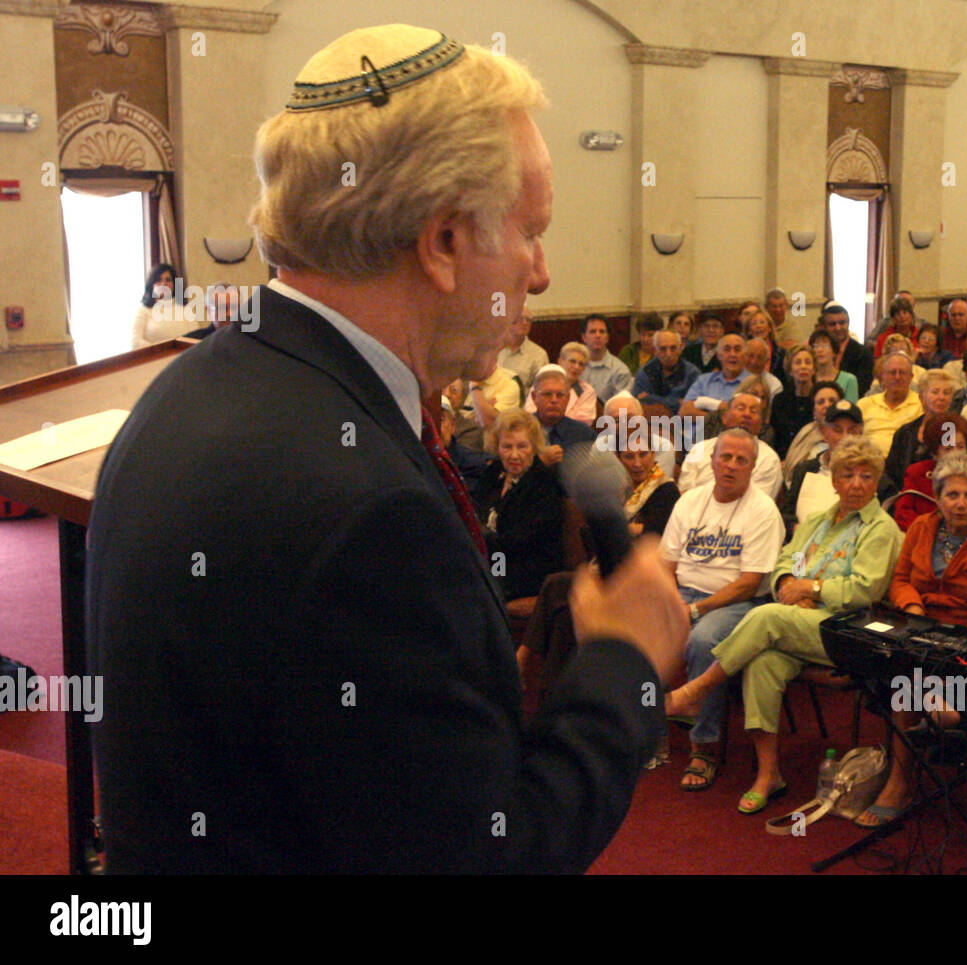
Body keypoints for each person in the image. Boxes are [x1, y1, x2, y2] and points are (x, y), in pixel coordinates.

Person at [87, 24, 686, 874]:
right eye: (530, 231)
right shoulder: (369, 514)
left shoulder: (187, 389)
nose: (542, 271)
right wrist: (622, 665)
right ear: (442, 242)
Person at [664, 438, 902, 812]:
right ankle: (768, 773)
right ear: (835, 481)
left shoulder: (881, 528)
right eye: (847, 474)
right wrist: (789, 585)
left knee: (765, 615)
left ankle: (697, 689)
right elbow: (784, 561)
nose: (856, 483)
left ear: (877, 482)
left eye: (866, 476)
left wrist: (812, 587)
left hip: (848, 630)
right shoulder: (821, 521)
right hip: (799, 620)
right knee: (763, 663)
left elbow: (864, 589)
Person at [861, 453, 967, 827]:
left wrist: (946, 650)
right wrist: (913, 608)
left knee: (908, 680)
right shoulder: (921, 527)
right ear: (938, 497)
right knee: (884, 658)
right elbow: (900, 581)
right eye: (952, 495)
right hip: (919, 631)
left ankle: (901, 780)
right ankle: (934, 716)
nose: (960, 503)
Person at [662, 429, 785, 791]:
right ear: (712, 461)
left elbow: (750, 583)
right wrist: (673, 604)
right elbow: (666, 563)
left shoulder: (763, 510)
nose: (731, 466)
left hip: (738, 602)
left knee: (704, 640)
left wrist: (694, 610)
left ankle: (704, 747)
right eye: (725, 457)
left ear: (753, 466)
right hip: (683, 593)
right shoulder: (689, 501)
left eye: (741, 460)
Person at [518, 425, 681, 694]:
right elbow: (593, 540)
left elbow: (654, 535)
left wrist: (615, 523)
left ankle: (526, 666)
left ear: (654, 454)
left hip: (641, 581)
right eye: (629, 456)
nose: (638, 463)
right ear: (618, 460)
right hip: (603, 573)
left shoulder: (665, 491)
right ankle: (554, 695)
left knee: (559, 586)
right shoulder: (617, 490)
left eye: (644, 454)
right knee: (562, 614)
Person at [474, 409, 566, 601]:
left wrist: (482, 543)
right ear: (497, 447)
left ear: (534, 447)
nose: (514, 455)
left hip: (523, 571)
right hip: (490, 561)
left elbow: (522, 541)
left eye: (522, 446)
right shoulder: (494, 472)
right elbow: (472, 508)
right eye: (507, 447)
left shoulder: (545, 483)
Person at [892, 413, 967, 531]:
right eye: (948, 449)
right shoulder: (917, 473)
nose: (955, 454)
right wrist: (928, 534)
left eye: (960, 447)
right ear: (935, 453)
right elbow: (903, 514)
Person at [679, 388, 782, 500]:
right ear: (724, 417)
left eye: (753, 411)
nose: (747, 414)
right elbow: (685, 493)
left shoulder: (769, 459)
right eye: (740, 408)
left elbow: (758, 503)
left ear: (761, 424)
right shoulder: (700, 448)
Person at [783, 399, 865, 531]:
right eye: (837, 430)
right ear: (825, 434)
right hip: (802, 548)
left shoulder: (872, 476)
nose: (845, 437)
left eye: (852, 431)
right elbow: (786, 515)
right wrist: (796, 528)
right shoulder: (804, 470)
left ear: (861, 435)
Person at [880, 368, 958, 500]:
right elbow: (891, 472)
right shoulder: (906, 431)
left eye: (946, 393)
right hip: (904, 495)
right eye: (935, 392)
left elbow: (950, 468)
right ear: (921, 397)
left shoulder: (951, 429)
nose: (941, 397)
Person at [782, 380, 846, 486]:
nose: (827, 405)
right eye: (821, 402)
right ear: (814, 412)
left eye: (832, 401)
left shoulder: (851, 436)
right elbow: (790, 471)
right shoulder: (806, 433)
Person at [680, 332, 747, 422]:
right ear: (719, 355)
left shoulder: (752, 383)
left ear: (745, 355)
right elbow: (684, 412)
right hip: (699, 435)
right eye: (727, 349)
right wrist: (720, 410)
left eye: (737, 350)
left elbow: (743, 419)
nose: (732, 354)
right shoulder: (703, 380)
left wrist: (704, 406)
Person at [632, 328, 701, 415]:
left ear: (681, 348)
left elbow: (693, 407)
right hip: (652, 423)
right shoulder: (645, 372)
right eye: (663, 349)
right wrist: (678, 402)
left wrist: (651, 398)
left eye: (673, 348)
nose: (668, 354)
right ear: (655, 351)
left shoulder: (692, 373)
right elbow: (638, 405)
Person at [769, 343, 816, 457]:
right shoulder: (780, 400)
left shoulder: (820, 398)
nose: (803, 366)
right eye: (798, 362)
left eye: (808, 362)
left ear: (814, 369)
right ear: (790, 369)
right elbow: (777, 437)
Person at [131, 262, 188, 348]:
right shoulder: (144, 310)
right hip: (153, 358)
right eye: (158, 280)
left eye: (168, 280)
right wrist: (162, 351)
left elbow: (195, 339)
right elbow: (135, 342)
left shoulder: (185, 309)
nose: (163, 284)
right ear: (152, 285)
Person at [581, 314, 633, 401]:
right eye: (592, 331)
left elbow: (622, 409)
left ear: (607, 337)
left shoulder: (620, 371)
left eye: (602, 332)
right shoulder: (574, 367)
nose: (598, 336)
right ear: (584, 337)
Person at [498, 304, 548, 390]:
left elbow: (541, 389)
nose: (525, 323)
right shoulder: (492, 348)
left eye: (528, 319)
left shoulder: (539, 355)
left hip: (520, 402)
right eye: (520, 318)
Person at [809, 328, 860, 402]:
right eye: (815, 346)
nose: (819, 350)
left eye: (825, 346)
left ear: (834, 352)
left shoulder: (849, 380)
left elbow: (851, 410)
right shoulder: (808, 379)